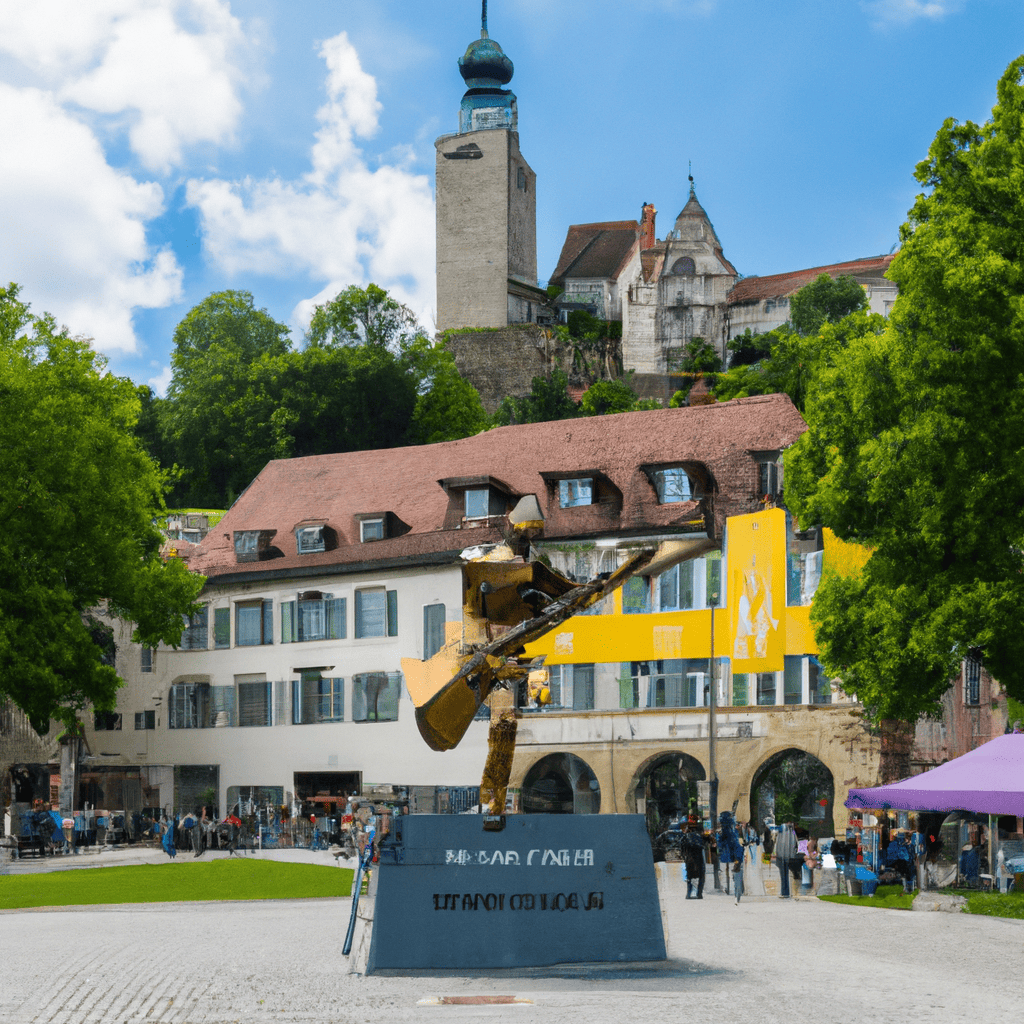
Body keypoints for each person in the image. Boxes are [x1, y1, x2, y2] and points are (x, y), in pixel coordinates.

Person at [718, 812, 745, 904]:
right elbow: (736, 845)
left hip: (726, 854)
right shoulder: (733, 832)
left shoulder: (725, 832)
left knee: (726, 871)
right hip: (732, 854)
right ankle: (734, 890)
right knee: (732, 872)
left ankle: (728, 889)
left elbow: (721, 843)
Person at [774, 822, 798, 898]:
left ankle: (785, 893)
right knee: (785, 874)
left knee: (784, 874)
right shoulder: (791, 829)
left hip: (784, 855)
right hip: (787, 855)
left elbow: (779, 841)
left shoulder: (785, 827)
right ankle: (785, 892)